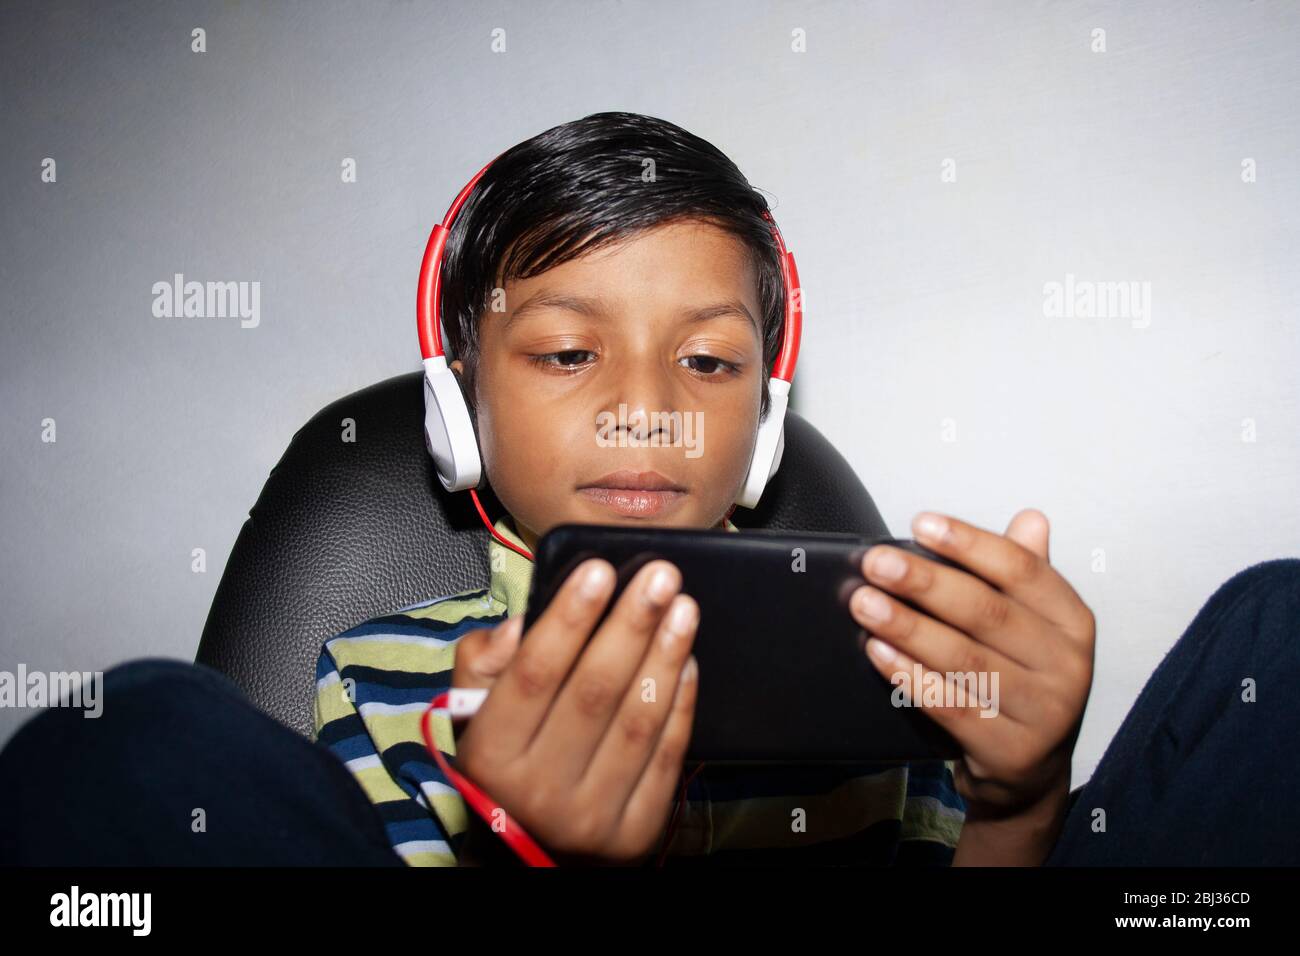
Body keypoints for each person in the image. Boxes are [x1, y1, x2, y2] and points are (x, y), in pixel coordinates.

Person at [2, 112, 1297, 867]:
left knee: (1278, 633)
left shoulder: (891, 669)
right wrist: (529, 845)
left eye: (709, 360)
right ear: (457, 412)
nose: (644, 405)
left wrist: (1018, 800)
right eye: (568, 351)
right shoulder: (387, 681)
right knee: (137, 734)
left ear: (766, 418)